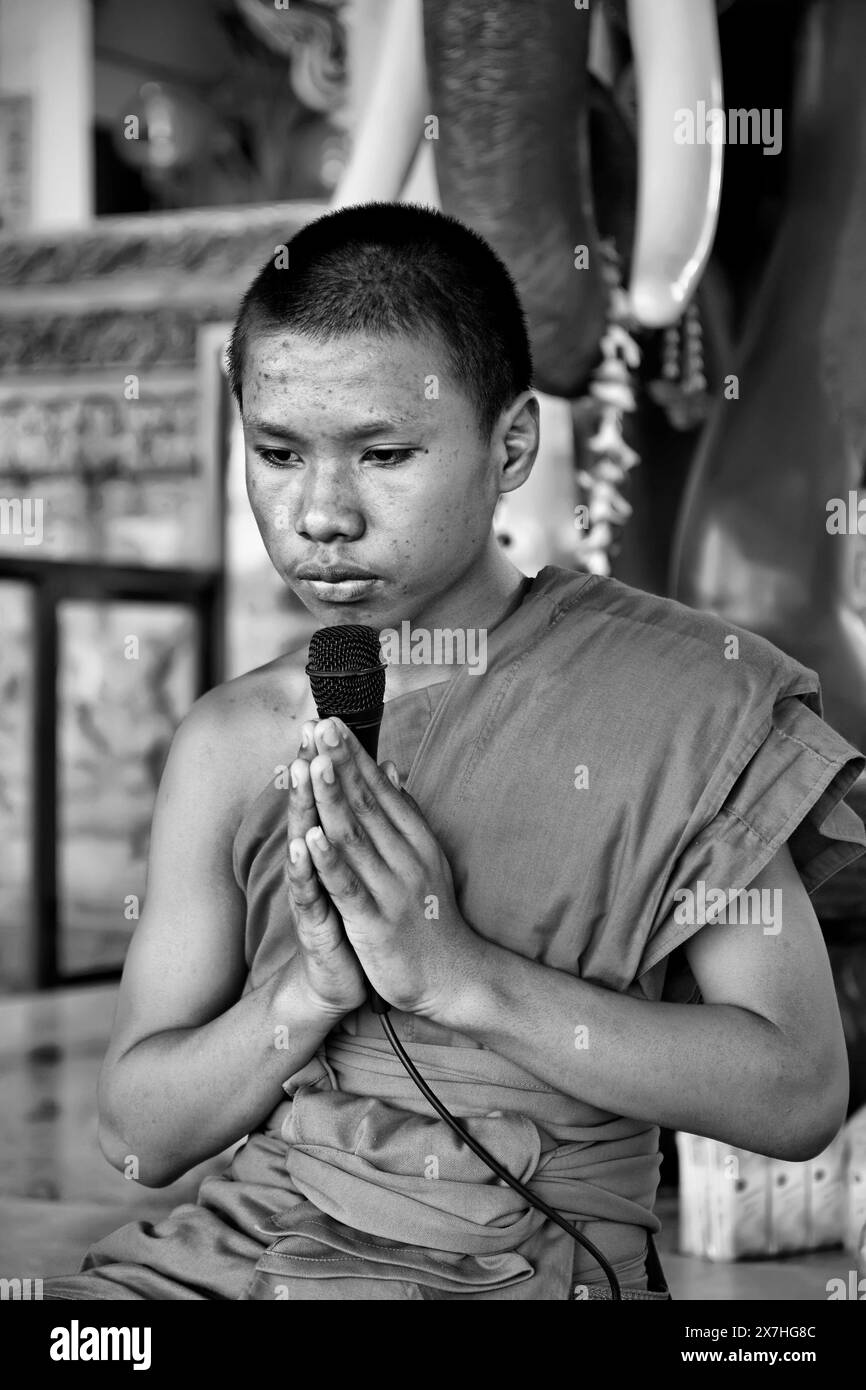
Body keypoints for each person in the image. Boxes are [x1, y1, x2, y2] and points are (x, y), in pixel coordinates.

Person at [43, 202, 865, 1301]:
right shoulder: (233, 739)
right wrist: (304, 998)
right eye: (278, 453)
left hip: (523, 1271)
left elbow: (798, 1092)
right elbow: (136, 1137)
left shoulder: (675, 698)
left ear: (510, 443)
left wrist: (459, 977)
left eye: (383, 453)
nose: (320, 513)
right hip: (229, 1263)